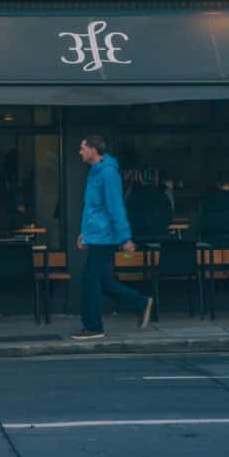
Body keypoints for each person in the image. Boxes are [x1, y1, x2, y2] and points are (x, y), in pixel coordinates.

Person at [72, 135, 153, 341]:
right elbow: (94, 209)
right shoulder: (96, 172)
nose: (80, 152)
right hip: (97, 236)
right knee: (104, 282)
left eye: (83, 148)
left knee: (89, 280)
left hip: (105, 238)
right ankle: (140, 303)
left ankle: (93, 327)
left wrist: (125, 237)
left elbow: (115, 206)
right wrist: (85, 234)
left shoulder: (107, 173)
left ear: (93, 149)